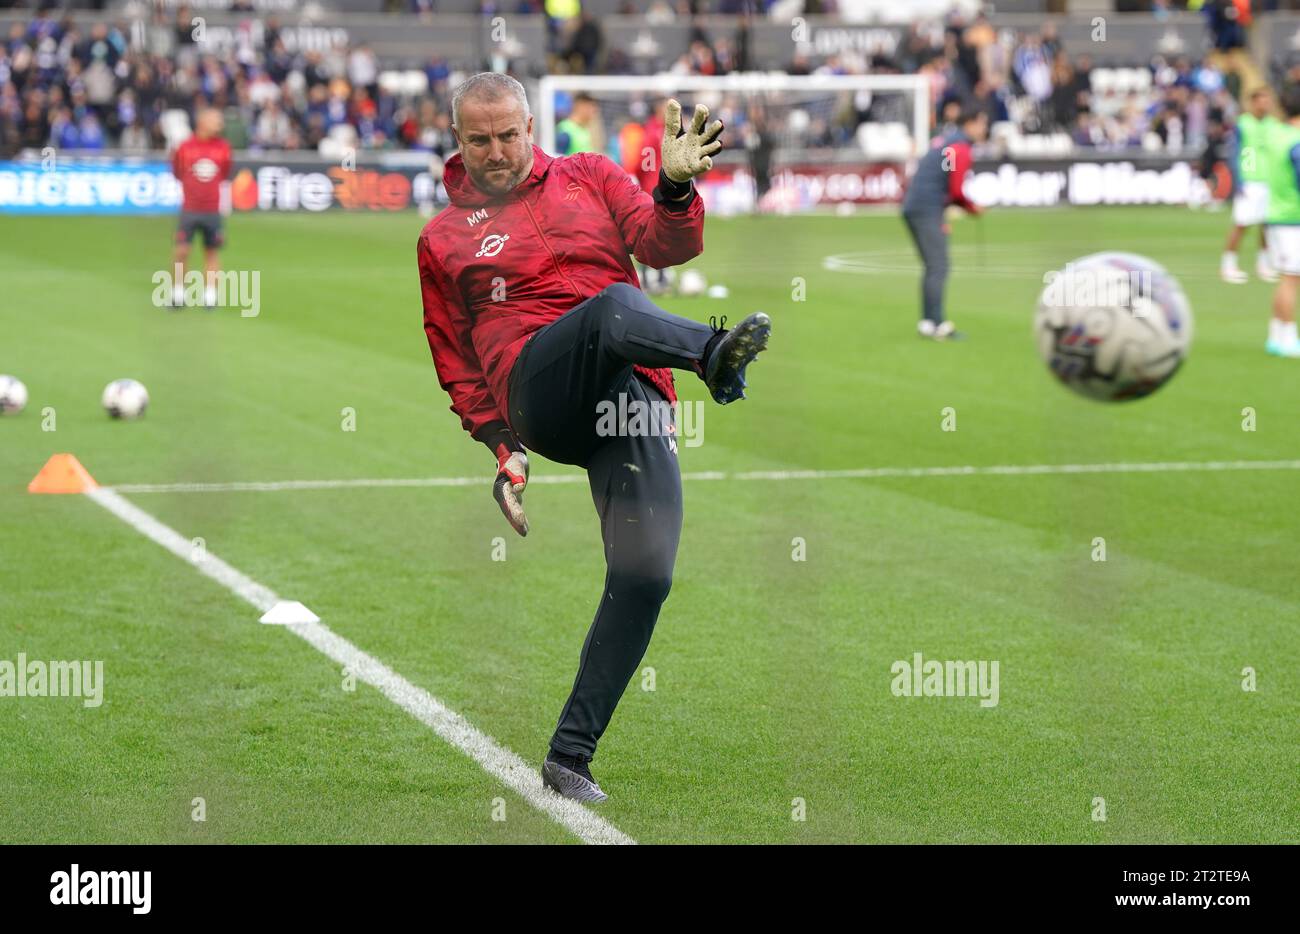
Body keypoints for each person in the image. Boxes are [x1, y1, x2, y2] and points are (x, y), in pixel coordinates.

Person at [417, 73, 771, 802]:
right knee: (615, 303)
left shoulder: (591, 176)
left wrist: (673, 188)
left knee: (646, 576)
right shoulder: (443, 239)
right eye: (478, 139)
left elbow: (663, 246)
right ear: (457, 139)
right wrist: (501, 448)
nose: (496, 151)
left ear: (529, 125)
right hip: (538, 388)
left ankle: (569, 758)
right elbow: (452, 356)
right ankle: (713, 358)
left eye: (508, 134)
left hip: (631, 390)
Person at [900, 109, 988, 340]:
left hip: (916, 207)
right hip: (926, 209)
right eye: (981, 123)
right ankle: (938, 324)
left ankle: (928, 323)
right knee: (939, 266)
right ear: (970, 123)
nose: (983, 129)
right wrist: (972, 208)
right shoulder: (959, 148)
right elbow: (956, 190)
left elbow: (943, 181)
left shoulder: (945, 144)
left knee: (932, 266)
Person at [169, 108, 232, 309]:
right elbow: (177, 172)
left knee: (211, 252)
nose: (220, 125)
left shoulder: (223, 147)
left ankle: (210, 296)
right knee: (181, 251)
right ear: (202, 122)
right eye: (216, 120)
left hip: (212, 210)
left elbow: (224, 173)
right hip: (190, 209)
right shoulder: (185, 147)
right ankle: (178, 294)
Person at [1222, 87, 1277, 284]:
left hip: (1268, 180)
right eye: (1262, 100)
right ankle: (1228, 265)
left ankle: (1264, 265)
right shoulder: (1242, 124)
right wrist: (1238, 181)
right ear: (1253, 102)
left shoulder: (1272, 125)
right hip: (1249, 181)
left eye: (1268, 100)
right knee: (1241, 224)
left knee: (1267, 226)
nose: (1266, 104)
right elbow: (1233, 153)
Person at [1262, 84, 1300, 358]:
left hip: (1275, 214)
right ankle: (1288, 337)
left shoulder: (1276, 134)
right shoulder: (1295, 142)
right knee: (1291, 279)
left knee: (1287, 277)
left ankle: (1277, 335)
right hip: (1291, 217)